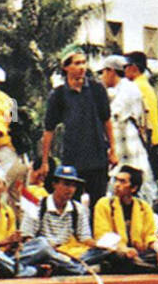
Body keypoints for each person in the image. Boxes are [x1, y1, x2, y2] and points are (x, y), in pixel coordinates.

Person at [35, 49, 116, 206]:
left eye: (83, 63)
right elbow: (49, 129)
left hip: (97, 155)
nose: (82, 67)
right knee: (72, 202)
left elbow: (107, 121)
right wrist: (45, 160)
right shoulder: (58, 95)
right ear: (66, 67)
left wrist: (113, 149)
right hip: (73, 158)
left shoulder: (97, 89)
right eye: (77, 63)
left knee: (99, 202)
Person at [17, 165, 95, 276]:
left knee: (101, 252)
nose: (70, 189)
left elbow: (85, 238)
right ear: (54, 184)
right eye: (66, 184)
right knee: (42, 245)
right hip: (46, 250)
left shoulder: (78, 209)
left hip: (67, 251)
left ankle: (63, 266)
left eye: (73, 185)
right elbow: (27, 237)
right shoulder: (37, 206)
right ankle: (77, 269)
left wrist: (100, 245)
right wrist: (51, 248)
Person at [91, 165, 158, 271]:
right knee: (120, 257)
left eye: (122, 182)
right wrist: (124, 249)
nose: (117, 185)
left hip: (139, 252)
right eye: (116, 180)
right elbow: (103, 235)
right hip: (116, 250)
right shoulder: (104, 204)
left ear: (134, 188)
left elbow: (150, 236)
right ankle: (150, 267)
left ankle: (144, 265)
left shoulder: (143, 207)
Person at [98, 55, 151, 195]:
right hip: (121, 145)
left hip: (127, 143)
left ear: (111, 71)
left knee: (136, 184)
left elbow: (113, 115)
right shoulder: (120, 89)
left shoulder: (128, 89)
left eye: (103, 72)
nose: (102, 77)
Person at [125, 51, 158, 182]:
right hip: (152, 141)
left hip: (144, 142)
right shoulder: (145, 86)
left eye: (124, 67)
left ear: (134, 68)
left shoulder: (136, 87)